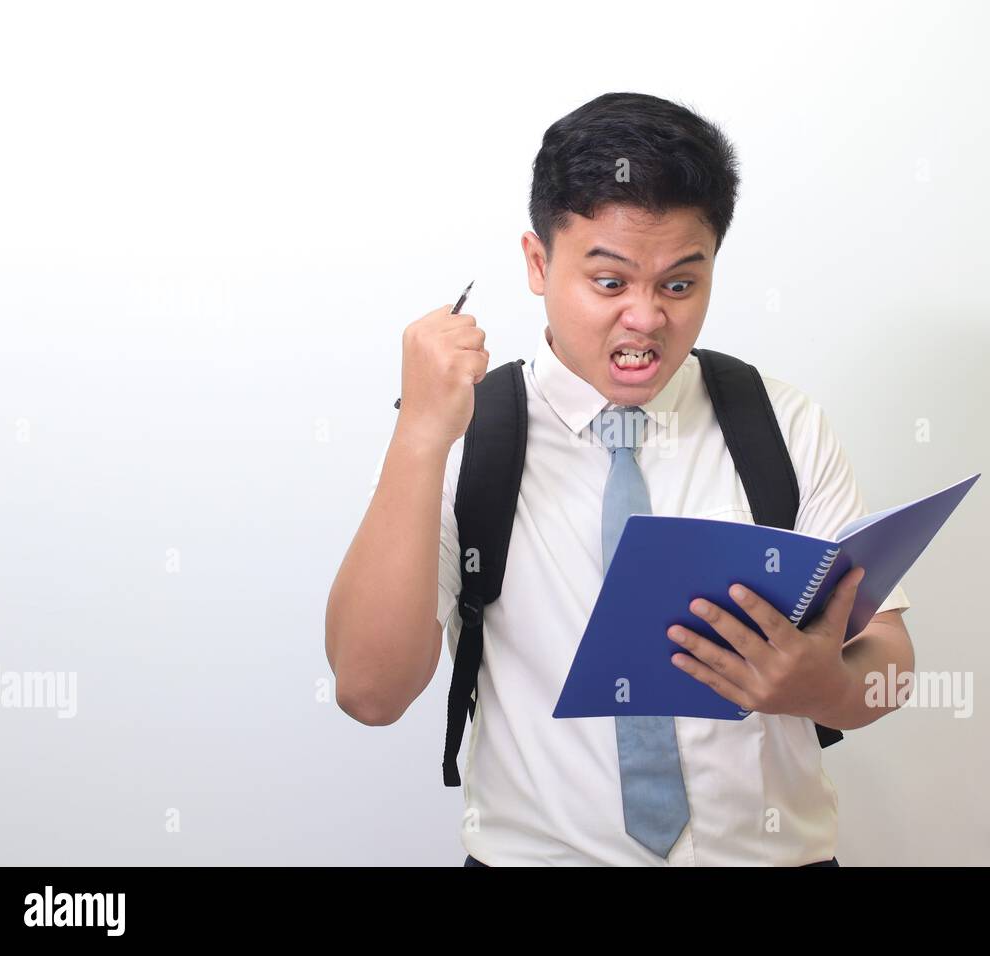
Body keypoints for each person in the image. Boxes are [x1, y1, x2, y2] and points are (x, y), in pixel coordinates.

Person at [325, 92, 914, 866]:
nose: (645, 318)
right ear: (538, 264)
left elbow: (891, 667)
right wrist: (420, 434)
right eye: (609, 283)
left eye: (679, 284)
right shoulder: (464, 435)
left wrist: (818, 687)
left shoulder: (782, 423)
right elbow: (370, 694)